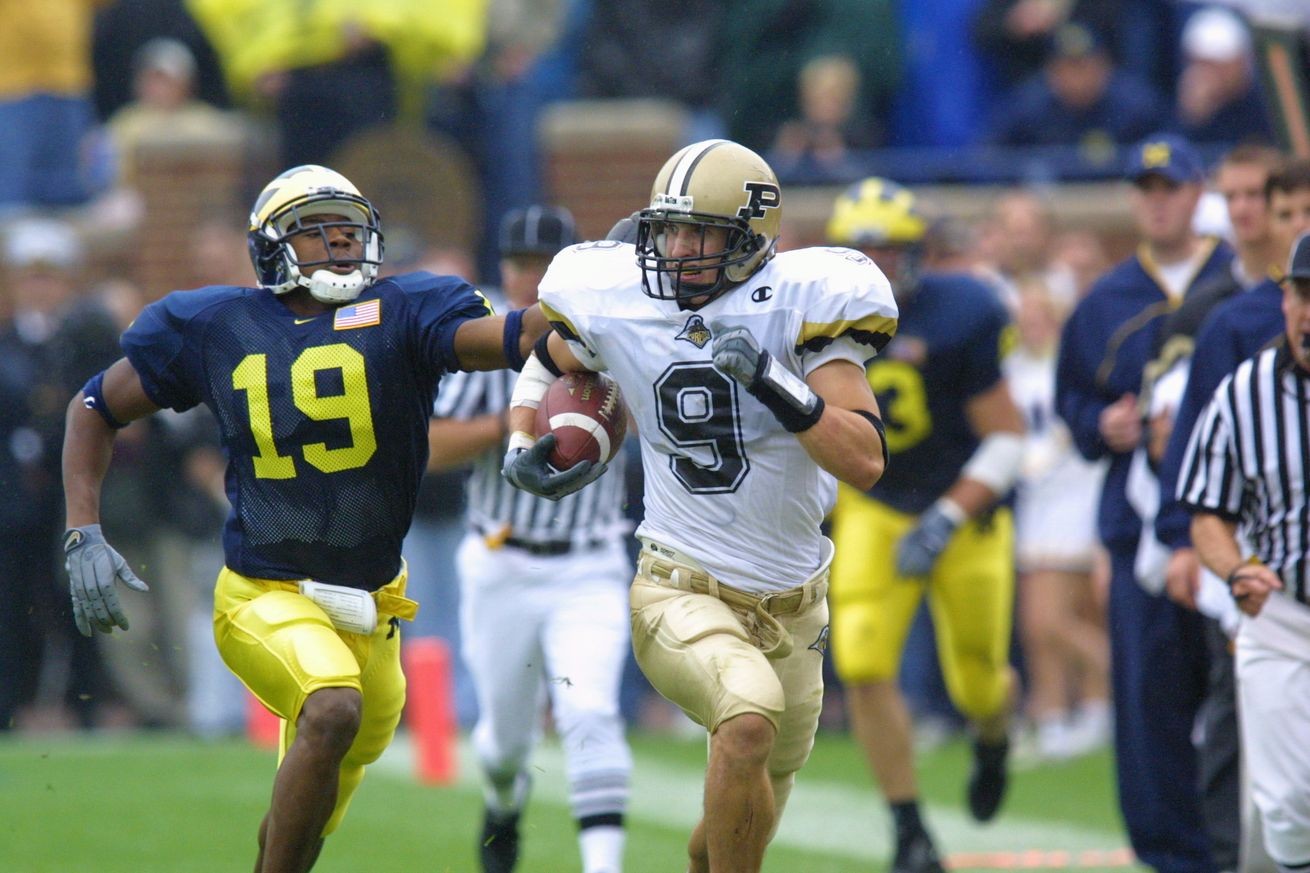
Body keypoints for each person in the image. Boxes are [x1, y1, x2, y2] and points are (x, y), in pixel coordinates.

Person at [60, 164, 547, 873]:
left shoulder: (404, 308)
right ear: (270, 249)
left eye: (349, 231)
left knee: (309, 812)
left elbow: (509, 336)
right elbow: (96, 405)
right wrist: (84, 525)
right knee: (331, 709)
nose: (341, 246)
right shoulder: (216, 323)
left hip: (374, 610)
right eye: (317, 233)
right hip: (265, 591)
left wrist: (576, 322)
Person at [502, 139, 895, 873]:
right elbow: (548, 352)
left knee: (740, 812)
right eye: (668, 230)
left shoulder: (799, 309)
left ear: (750, 240)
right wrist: (523, 435)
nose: (677, 250)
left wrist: (776, 381)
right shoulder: (620, 299)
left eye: (700, 233)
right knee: (745, 722)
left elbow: (866, 460)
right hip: (678, 587)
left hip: (796, 607)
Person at [823, 177, 1025, 873]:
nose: (877, 263)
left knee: (976, 682)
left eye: (890, 248)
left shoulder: (963, 308)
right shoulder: (815, 319)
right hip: (875, 506)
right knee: (862, 658)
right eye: (863, 250)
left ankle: (994, 735)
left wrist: (944, 518)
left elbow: (1007, 437)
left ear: (916, 251)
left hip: (962, 508)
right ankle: (908, 825)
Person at [426, 205, 634, 873]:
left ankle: (603, 866)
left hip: (590, 561)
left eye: (545, 264)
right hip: (501, 563)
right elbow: (428, 447)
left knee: (591, 711)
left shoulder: (619, 340)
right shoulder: (485, 345)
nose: (531, 278)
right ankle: (503, 803)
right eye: (520, 263)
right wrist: (513, 430)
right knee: (504, 744)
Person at [1055, 133, 1235, 873]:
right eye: (1147, 190)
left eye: (1171, 188)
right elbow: (1074, 397)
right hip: (1140, 522)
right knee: (1148, 699)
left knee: (1238, 696)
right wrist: (1101, 423)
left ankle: (1239, 843)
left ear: (1198, 194)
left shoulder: (1239, 284)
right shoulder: (1107, 301)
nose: (1159, 203)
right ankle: (1171, 853)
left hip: (1229, 520)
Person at [1179, 230, 1310, 873]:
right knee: (1288, 799)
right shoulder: (1243, 394)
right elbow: (1208, 511)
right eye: (1301, 296)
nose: (1309, 314)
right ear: (1283, 299)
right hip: (1281, 613)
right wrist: (1234, 570)